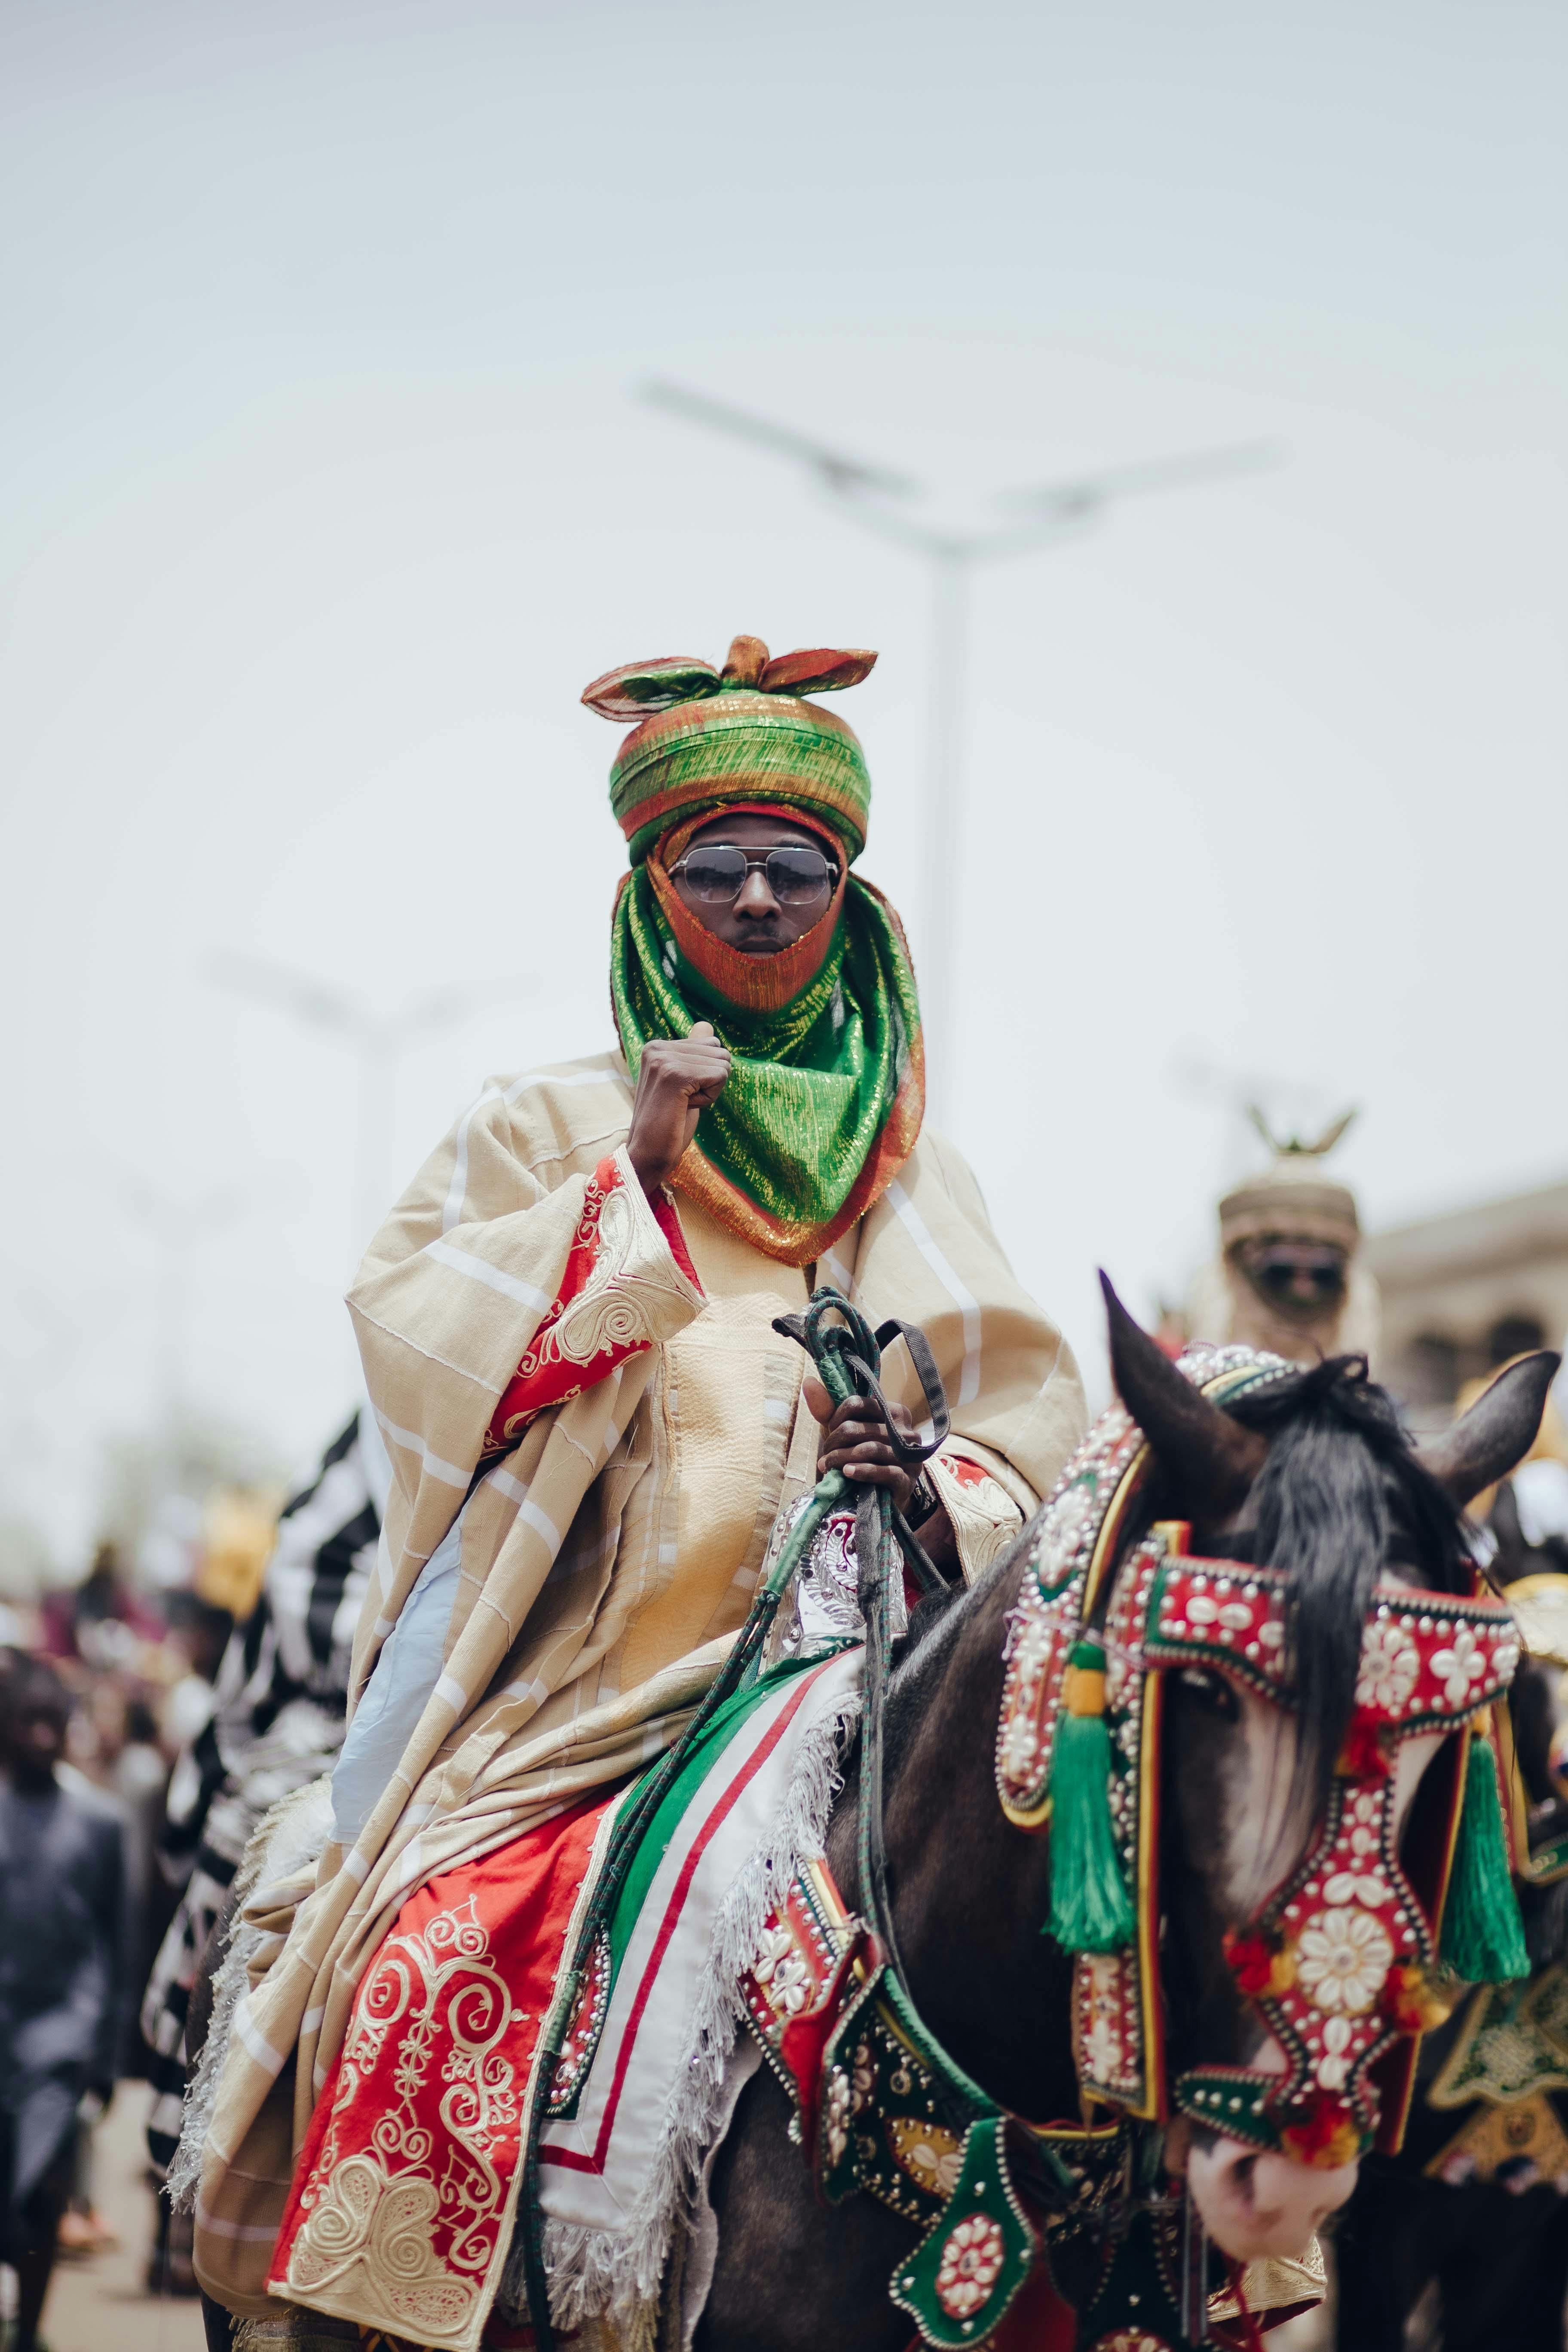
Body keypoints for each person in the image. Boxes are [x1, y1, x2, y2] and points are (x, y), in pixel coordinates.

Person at [185, 633, 1087, 2315]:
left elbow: (1030, 1425)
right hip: (600, 1675)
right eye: (716, 868)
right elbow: (426, 1356)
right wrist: (634, 1181)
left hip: (870, 1673)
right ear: (649, 890)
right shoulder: (545, 1119)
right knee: (428, 1944)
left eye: (797, 870)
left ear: (850, 893)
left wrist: (929, 1483)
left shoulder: (920, 1157)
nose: (759, 902)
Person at [0, 1650, 126, 2352]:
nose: (42, 1736)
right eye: (28, 1722)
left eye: (53, 1722)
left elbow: (118, 1942)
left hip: (61, 2040)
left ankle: (30, 2327)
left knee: (43, 2191)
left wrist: (106, 2057)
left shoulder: (100, 1824)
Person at [1183, 1108, 1380, 1366]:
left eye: (1319, 1257)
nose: (1304, 1273)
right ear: (1249, 1253)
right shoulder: (1217, 1288)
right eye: (1288, 1255)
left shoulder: (1358, 1294)